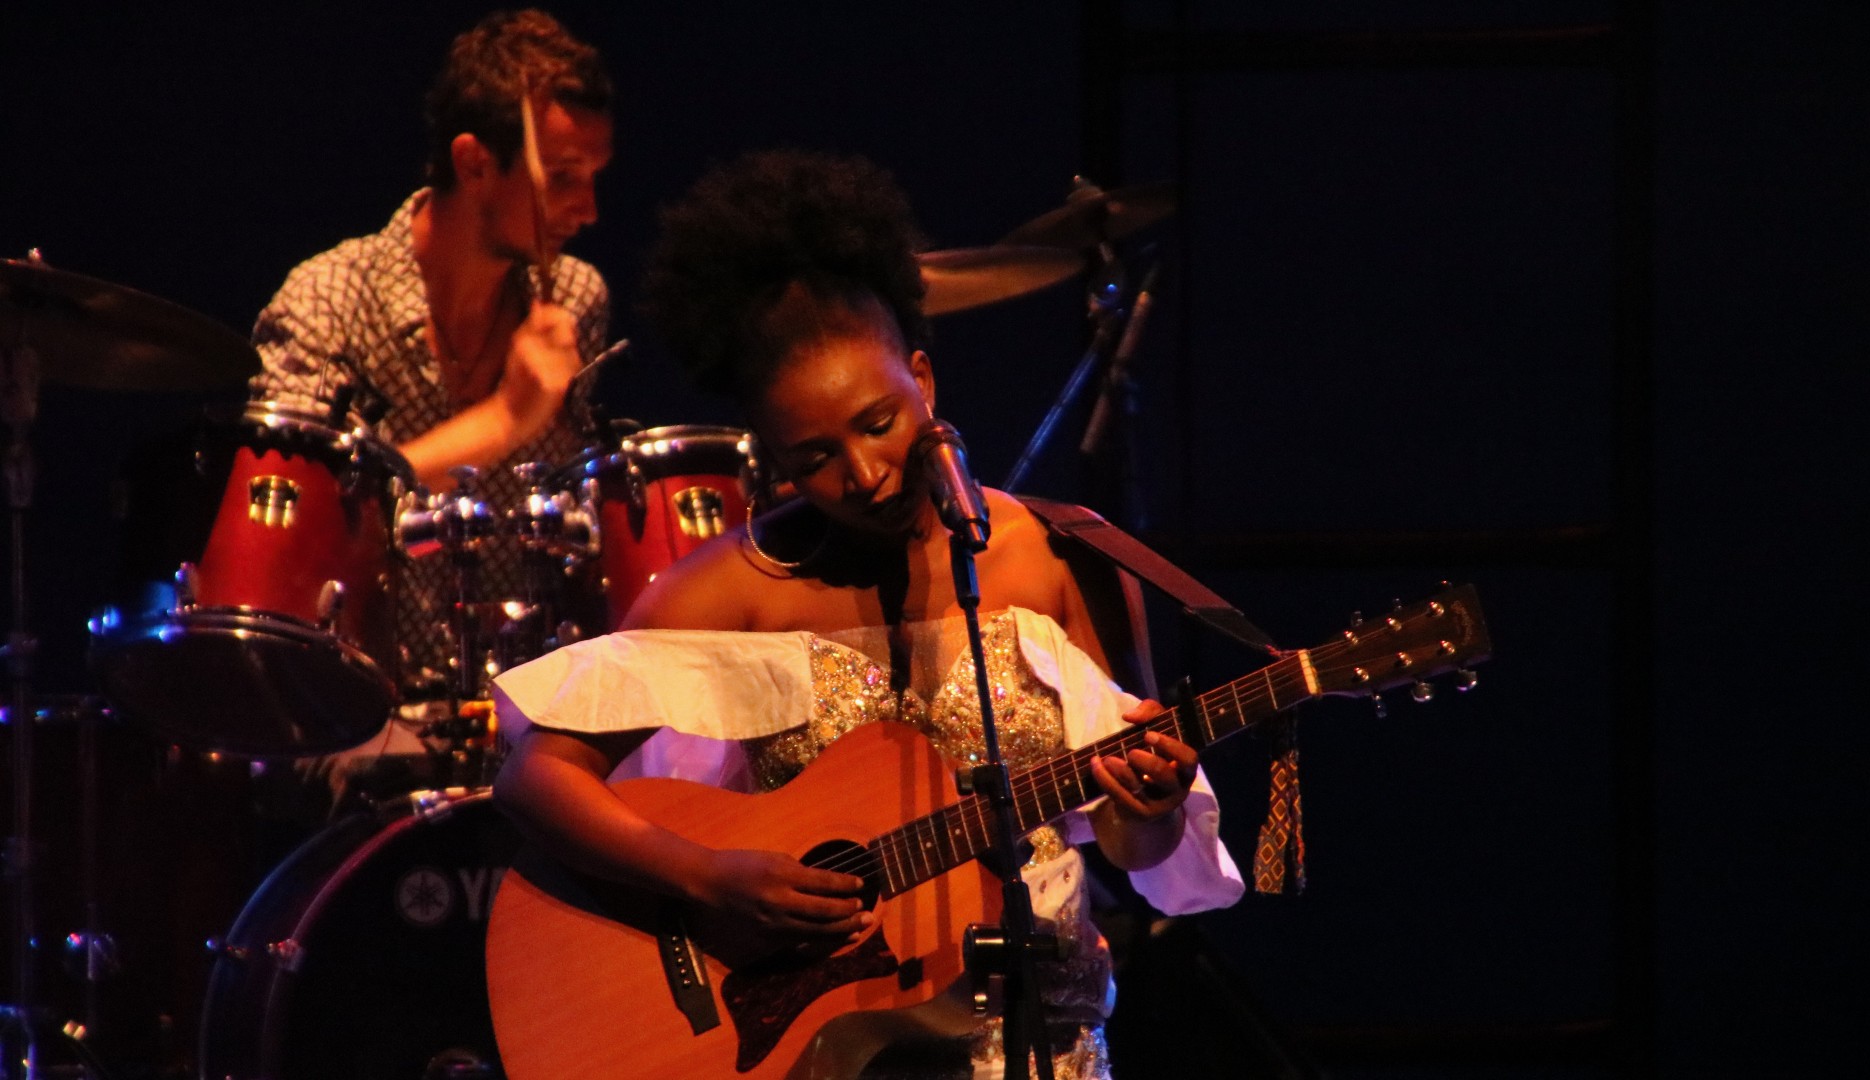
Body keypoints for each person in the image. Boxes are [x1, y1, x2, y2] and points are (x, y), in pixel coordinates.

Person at [488, 150, 1243, 1079]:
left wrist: (1155, 807)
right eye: (813, 457)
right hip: (829, 1043)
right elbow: (535, 780)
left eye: (878, 422)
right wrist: (704, 873)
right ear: (770, 459)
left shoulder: (1065, 559)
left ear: (923, 379)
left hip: (1042, 1039)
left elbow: (1131, 843)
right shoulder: (732, 591)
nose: (865, 474)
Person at [247, 9, 614, 775]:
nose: (589, 210)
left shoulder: (575, 297)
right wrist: (505, 418)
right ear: (475, 163)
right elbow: (299, 543)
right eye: (565, 179)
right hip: (358, 710)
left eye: (594, 179)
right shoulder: (326, 301)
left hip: (527, 709)